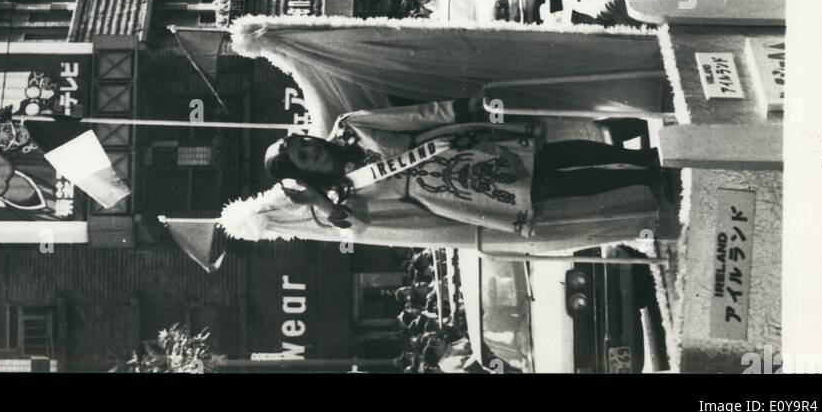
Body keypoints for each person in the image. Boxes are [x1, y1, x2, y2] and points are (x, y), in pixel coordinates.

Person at [259, 106, 665, 241]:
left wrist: (461, 111)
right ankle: (644, 179)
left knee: (556, 154)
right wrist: (315, 201)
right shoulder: (340, 200)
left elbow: (411, 118)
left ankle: (641, 158)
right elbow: (357, 229)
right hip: (456, 195)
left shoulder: (350, 127)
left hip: (460, 149)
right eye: (303, 157)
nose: (310, 148)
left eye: (304, 141)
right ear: (305, 174)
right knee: (560, 186)